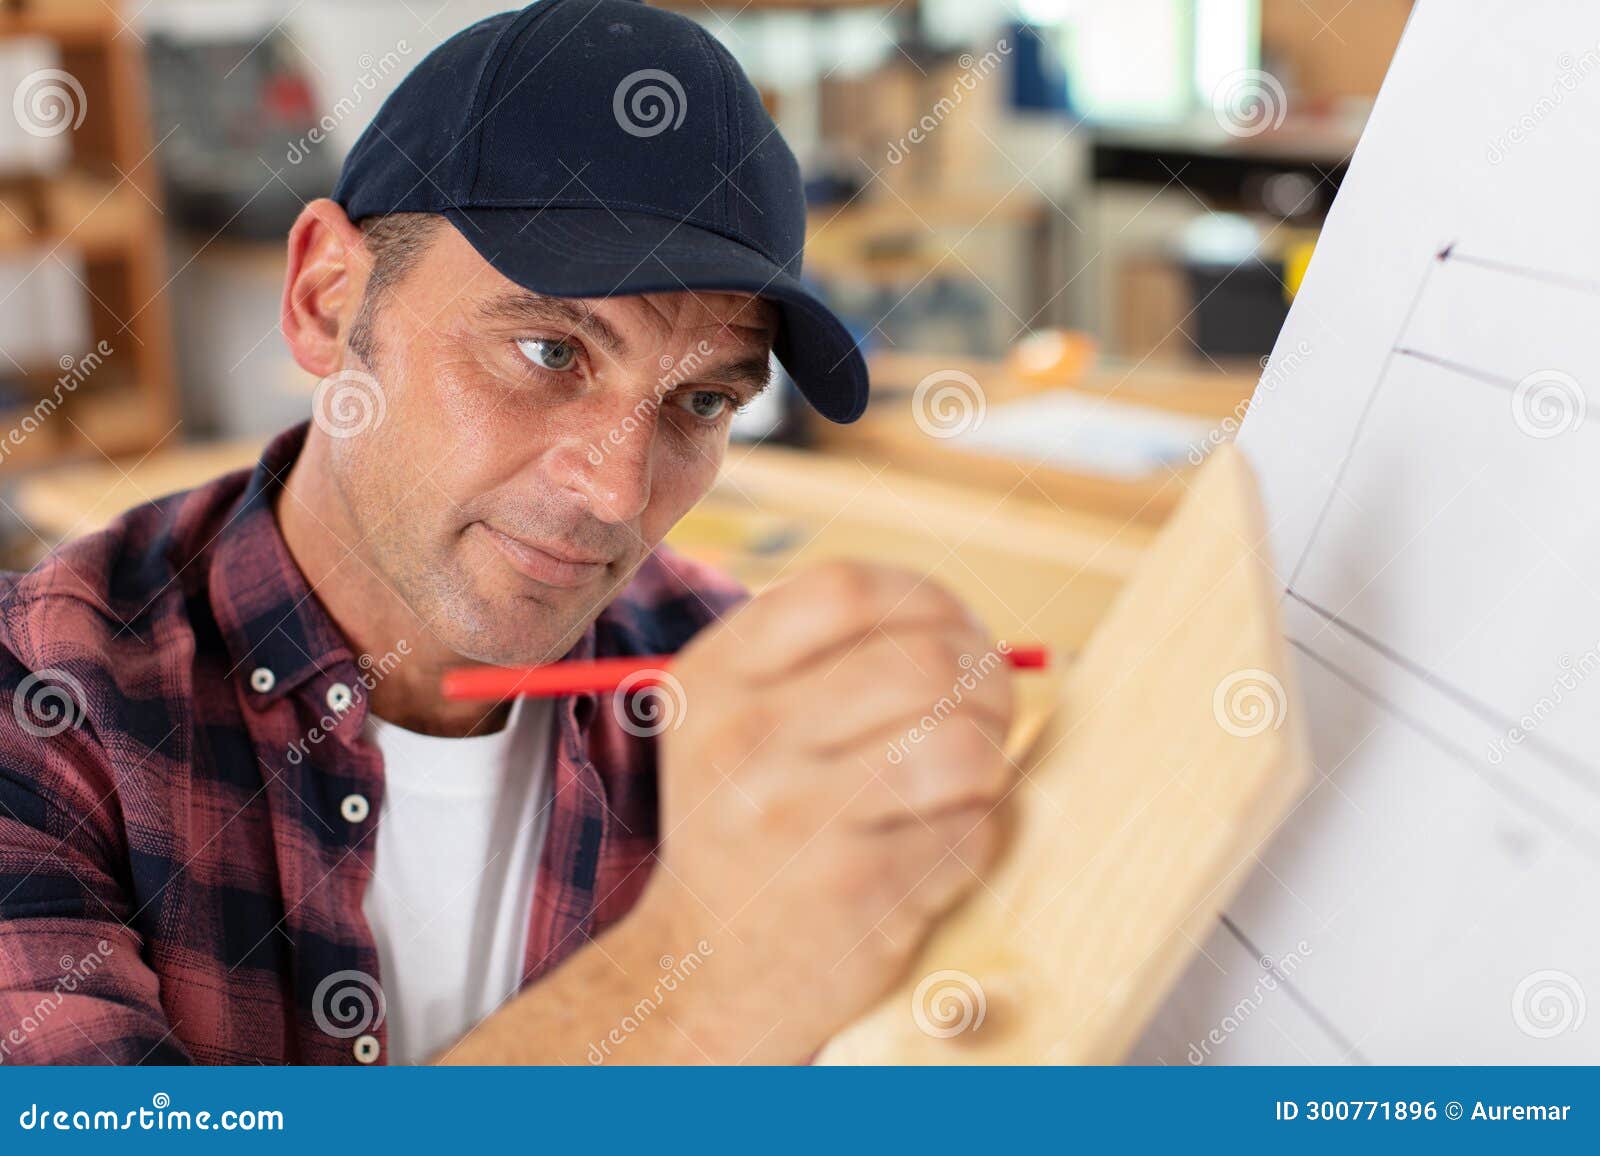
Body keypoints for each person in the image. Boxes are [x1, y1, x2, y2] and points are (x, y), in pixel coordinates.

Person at [0, 0, 1013, 1065]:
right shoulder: (44, 699)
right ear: (325, 297)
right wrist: (697, 975)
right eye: (549, 352)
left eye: (703, 401)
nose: (619, 491)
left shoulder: (739, 699)